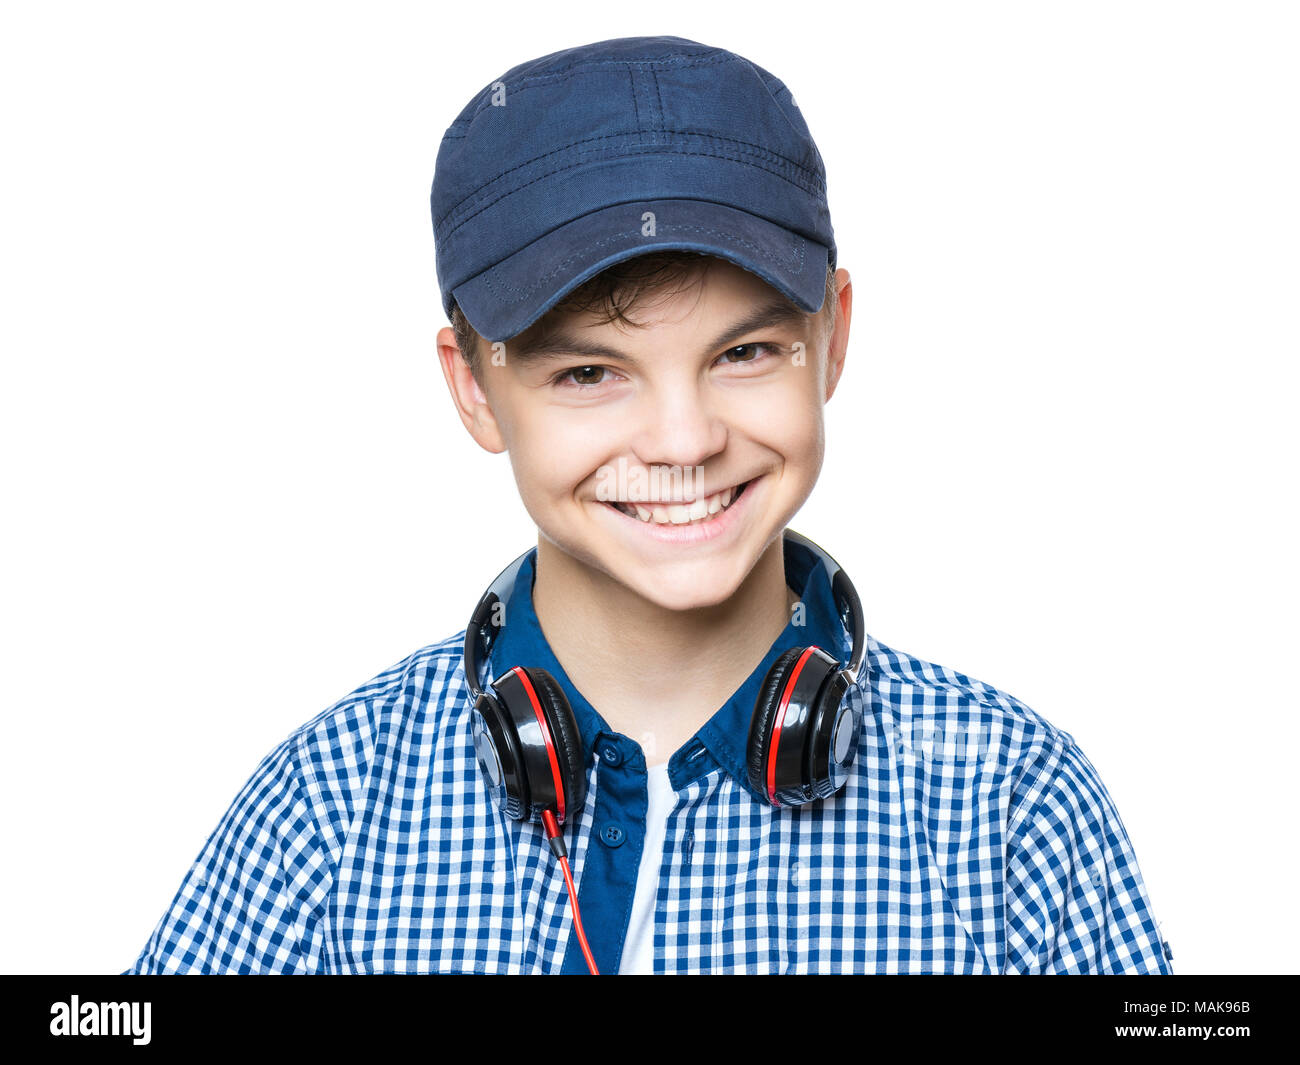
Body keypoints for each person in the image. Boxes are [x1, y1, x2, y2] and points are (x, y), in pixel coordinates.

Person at [125, 35, 1172, 975]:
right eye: (589, 373)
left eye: (747, 351)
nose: (684, 440)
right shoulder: (328, 811)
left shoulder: (1011, 808)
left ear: (833, 339)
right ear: (473, 388)